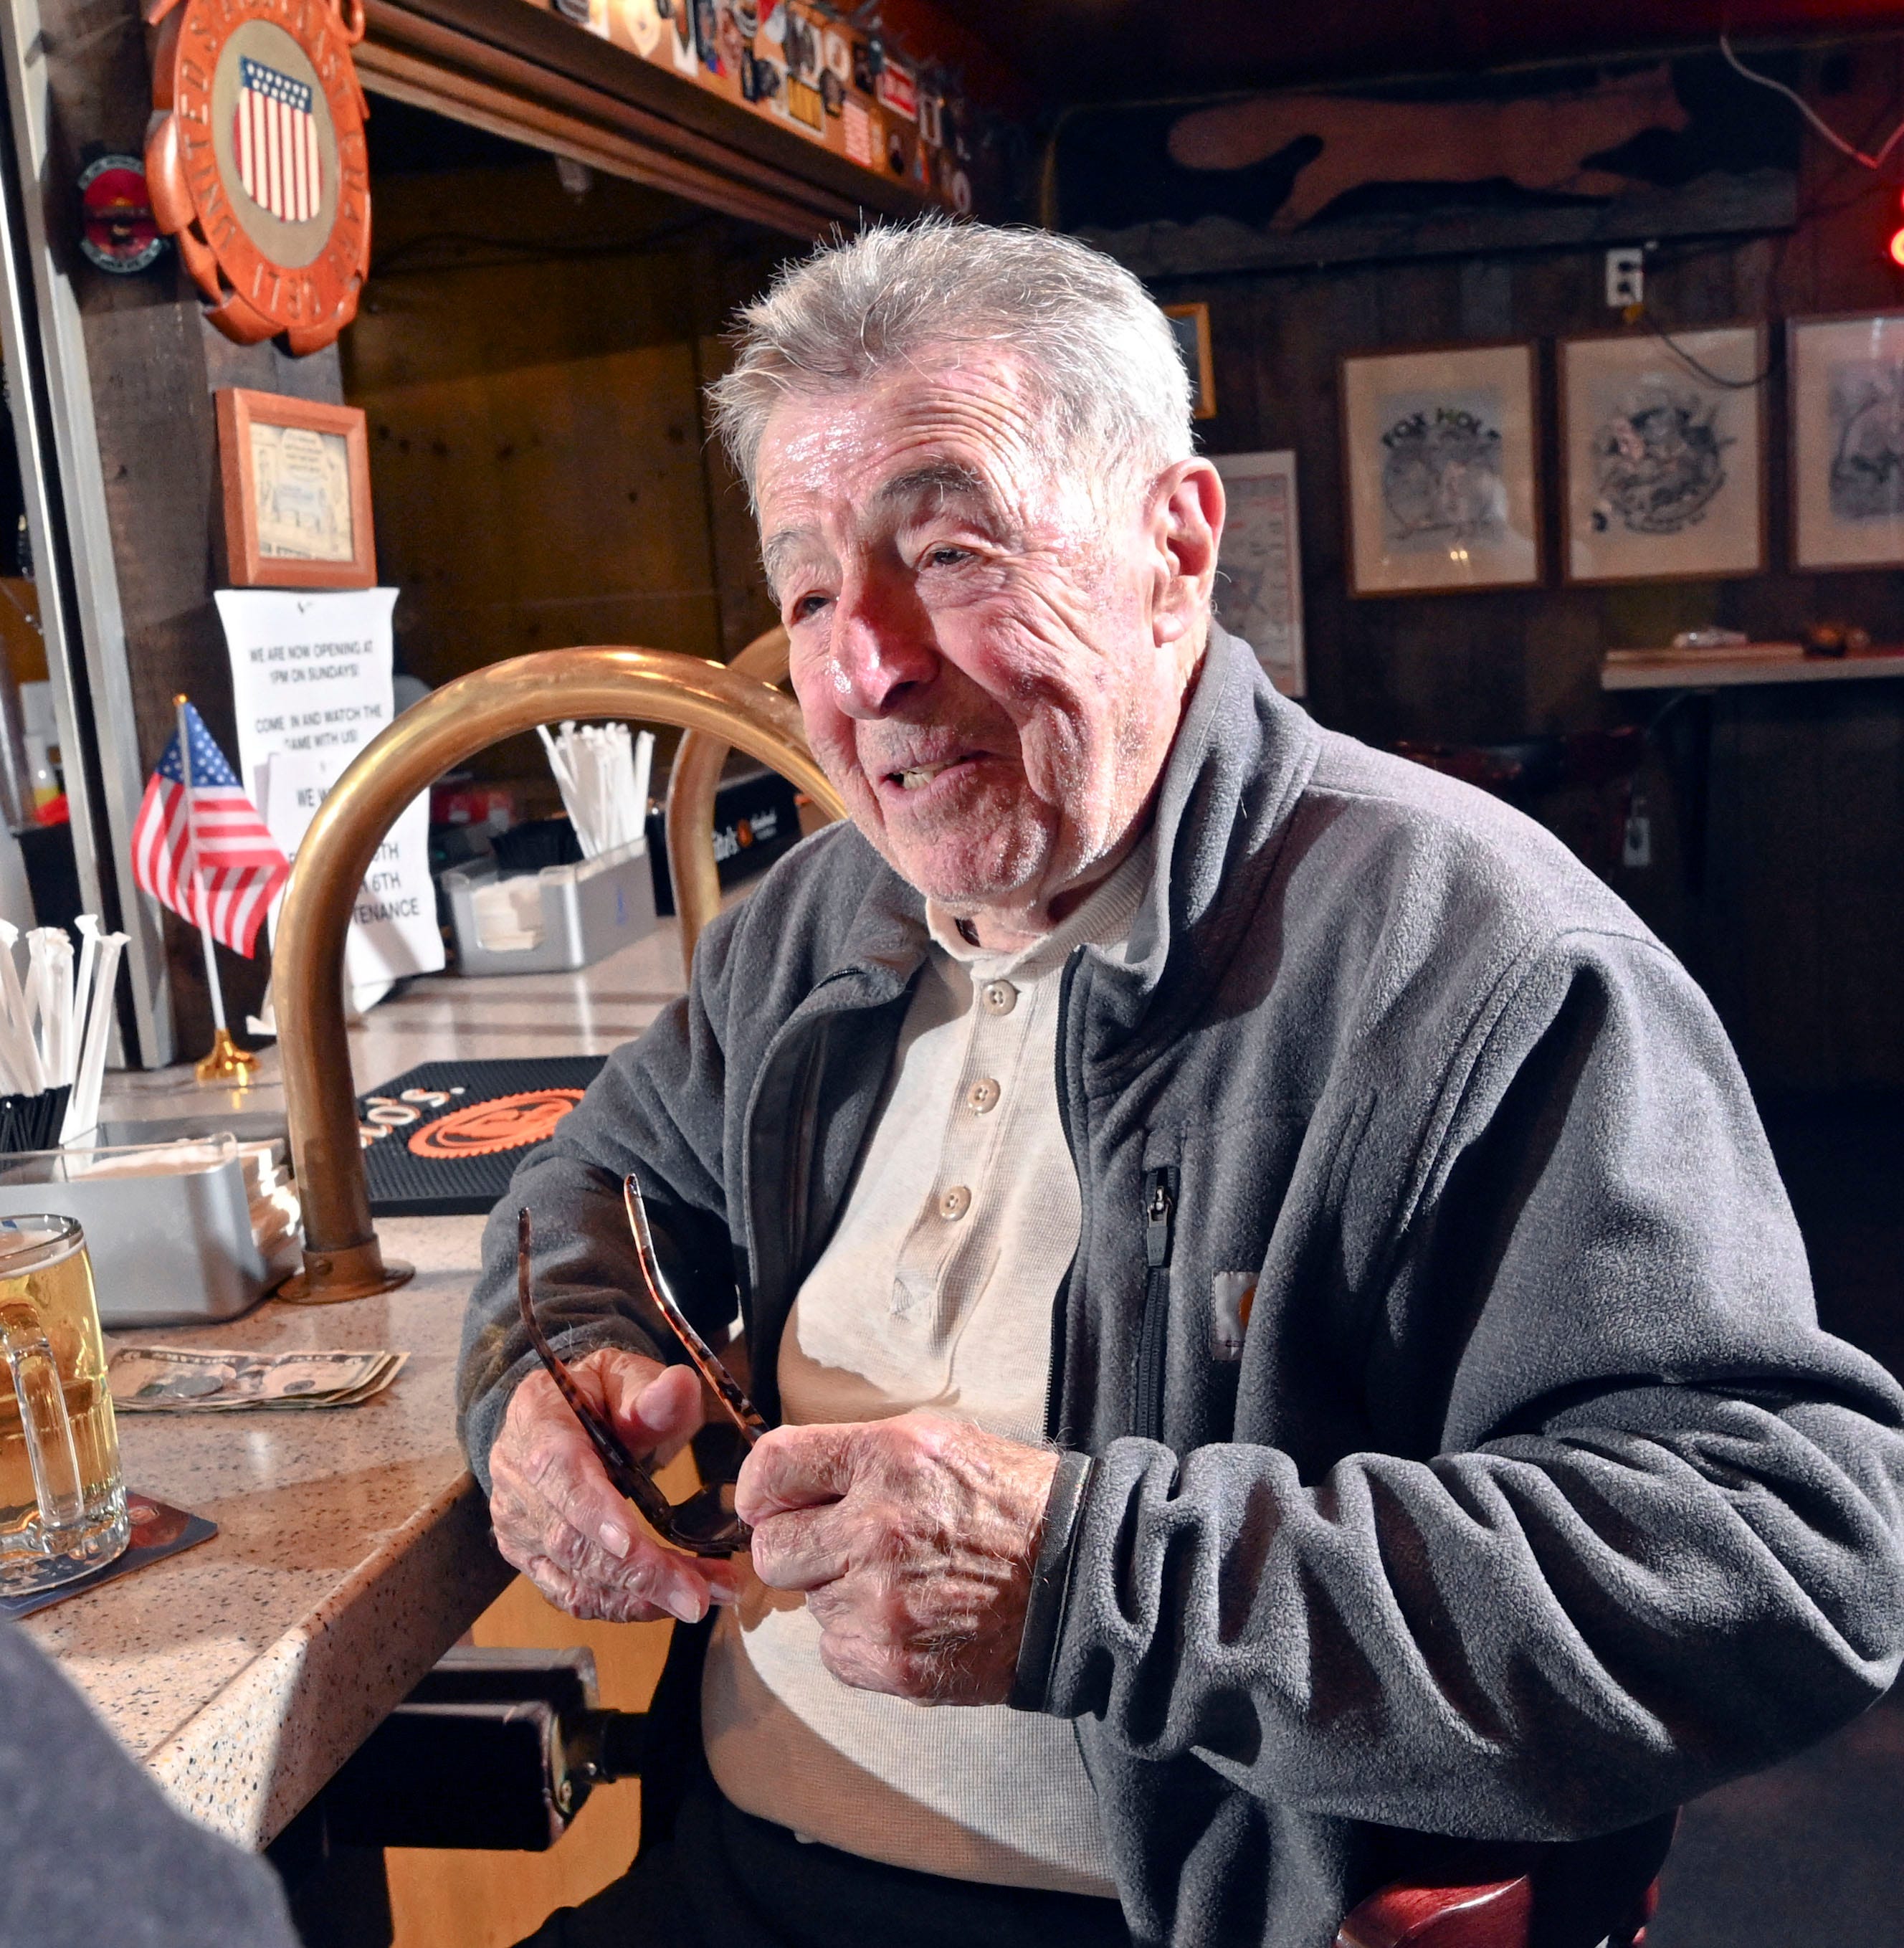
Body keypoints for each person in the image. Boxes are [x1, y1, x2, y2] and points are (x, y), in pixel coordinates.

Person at [458, 219, 1904, 1948]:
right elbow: (598, 1187)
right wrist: (539, 1384)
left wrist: (1087, 1578)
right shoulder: (824, 913)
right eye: (805, 589)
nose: (862, 664)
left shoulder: (1479, 961)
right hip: (728, 1880)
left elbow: (1785, 1559)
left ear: (1173, 545)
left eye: (951, 551)